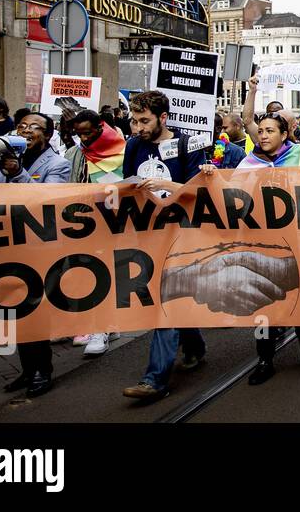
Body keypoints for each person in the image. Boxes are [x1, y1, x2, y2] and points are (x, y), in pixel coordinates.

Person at [198, 112, 300, 384]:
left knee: (299, 292)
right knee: (261, 302)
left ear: (284, 134)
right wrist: (212, 175)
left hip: (296, 241)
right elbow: (230, 192)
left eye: (269, 130)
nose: (263, 135)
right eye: (261, 131)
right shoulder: (249, 161)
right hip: (260, 242)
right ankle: (265, 359)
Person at [121, 90, 212, 402]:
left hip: (184, 234)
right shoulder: (133, 145)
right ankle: (196, 347)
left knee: (167, 301)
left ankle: (155, 379)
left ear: (163, 118)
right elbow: (127, 183)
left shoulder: (187, 144)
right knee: (173, 298)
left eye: (144, 121)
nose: (138, 127)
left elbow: (197, 193)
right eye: (134, 120)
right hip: (150, 233)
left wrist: (165, 186)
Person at [0, 112, 70, 396]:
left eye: (34, 127)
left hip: (39, 249)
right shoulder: (3, 162)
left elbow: (48, 202)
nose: (26, 130)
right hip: (9, 245)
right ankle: (27, 369)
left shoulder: (58, 164)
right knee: (15, 310)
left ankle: (42, 371)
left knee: (35, 309)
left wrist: (18, 173)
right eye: (21, 126)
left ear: (47, 136)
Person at [63, 109, 127, 355]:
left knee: (105, 274)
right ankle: (103, 325)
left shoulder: (121, 151)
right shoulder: (74, 153)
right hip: (82, 223)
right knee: (89, 274)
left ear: (100, 127)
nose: (84, 138)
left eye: (88, 133)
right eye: (78, 134)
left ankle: (102, 329)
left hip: (112, 224)